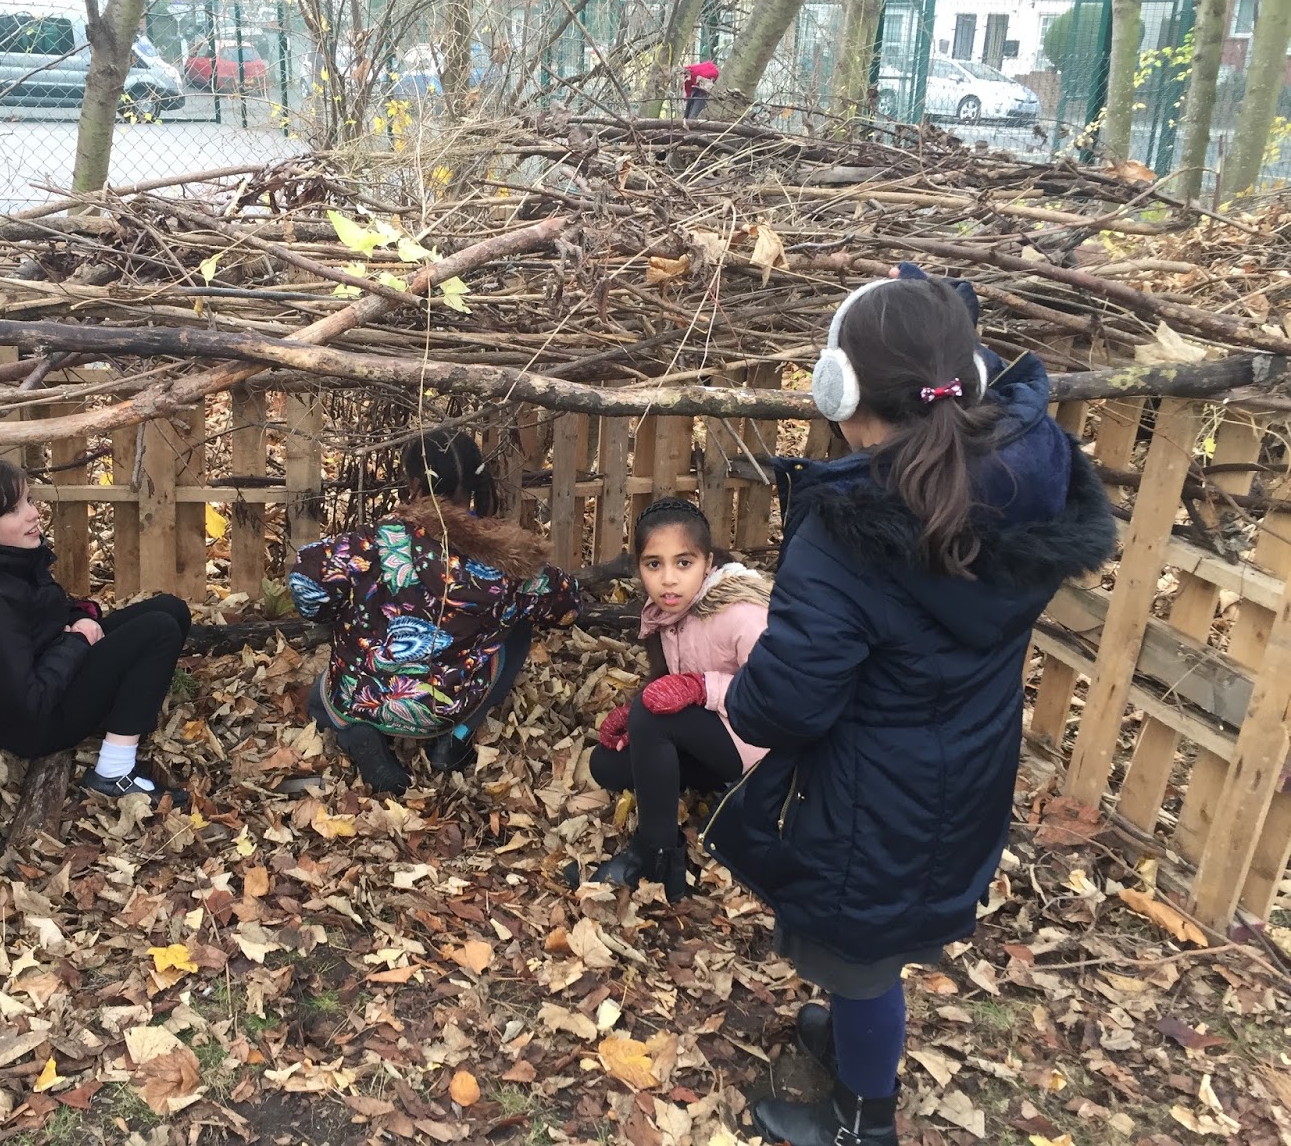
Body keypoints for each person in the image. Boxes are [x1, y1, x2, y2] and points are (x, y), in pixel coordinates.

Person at [701, 266, 1117, 1145]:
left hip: (871, 792)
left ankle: (863, 1117)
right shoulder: (1016, 474)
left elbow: (785, 705)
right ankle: (859, 1044)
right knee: (874, 946)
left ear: (836, 388)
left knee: (859, 958)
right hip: (962, 764)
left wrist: (747, 675)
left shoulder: (853, 533)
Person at [290, 428, 581, 794]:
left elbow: (307, 587)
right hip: (447, 704)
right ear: (475, 483)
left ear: (413, 483)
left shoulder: (369, 544)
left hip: (363, 696)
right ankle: (454, 740)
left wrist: (343, 613)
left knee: (321, 699)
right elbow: (568, 606)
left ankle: (357, 733)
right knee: (520, 626)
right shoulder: (508, 564)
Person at [0, 457, 190, 806]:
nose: (32, 514)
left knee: (170, 609)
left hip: (57, 668)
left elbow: (48, 608)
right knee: (158, 630)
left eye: (28, 501)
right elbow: (29, 702)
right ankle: (113, 772)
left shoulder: (5, 559)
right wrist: (77, 640)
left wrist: (82, 618)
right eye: (13, 510)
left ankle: (121, 718)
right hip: (36, 726)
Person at [586, 498, 769, 901]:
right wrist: (633, 715)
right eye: (654, 564)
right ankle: (704, 793)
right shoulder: (668, 612)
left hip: (762, 753)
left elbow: (777, 693)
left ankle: (657, 853)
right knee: (607, 764)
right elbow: (669, 685)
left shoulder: (740, 612)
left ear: (708, 563)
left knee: (653, 717)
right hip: (715, 741)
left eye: (683, 563)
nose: (668, 579)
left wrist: (703, 688)